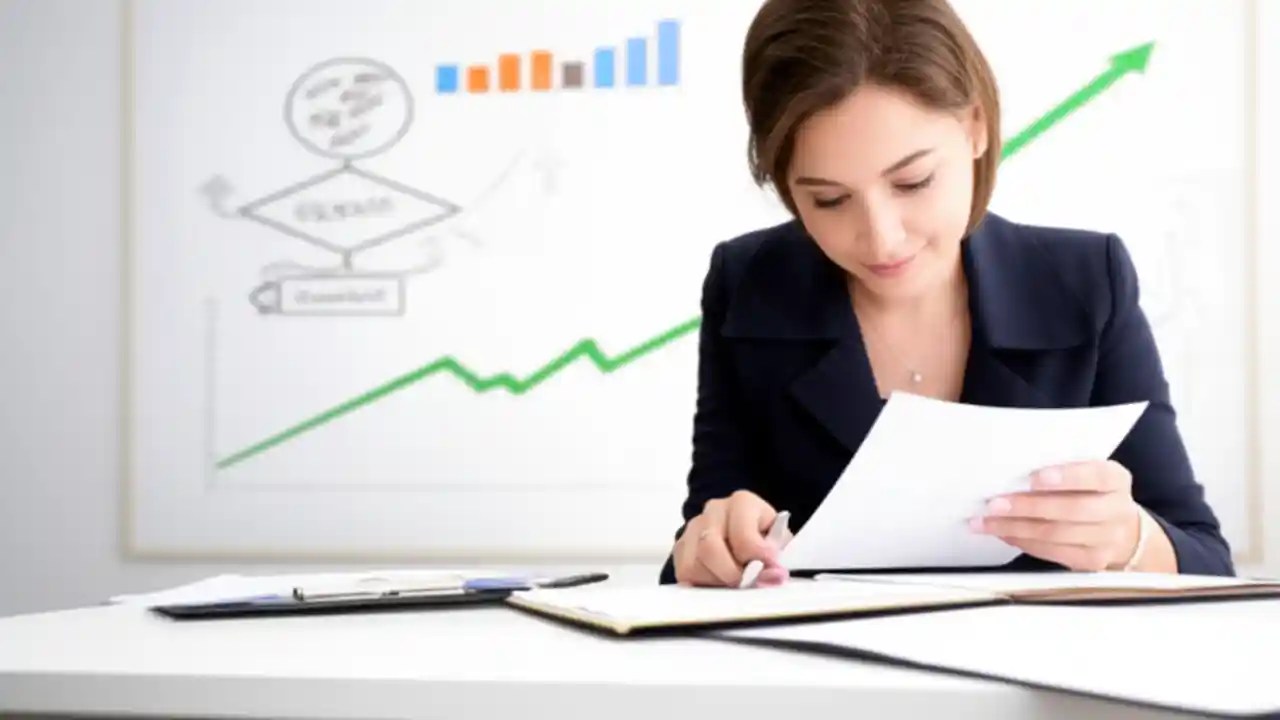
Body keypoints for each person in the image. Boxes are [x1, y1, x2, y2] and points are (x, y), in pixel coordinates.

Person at [659, 0, 1233, 587]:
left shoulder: (1085, 280)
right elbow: (695, 550)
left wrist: (1129, 538)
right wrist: (713, 544)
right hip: (829, 671)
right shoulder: (750, 283)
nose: (882, 239)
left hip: (1036, 670)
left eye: (913, 181)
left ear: (976, 127)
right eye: (828, 199)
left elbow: (1207, 560)